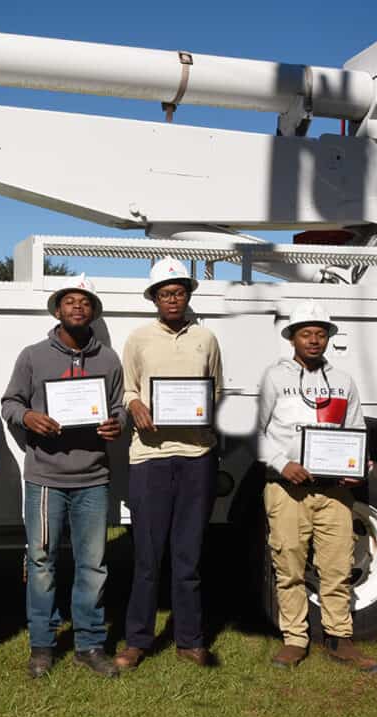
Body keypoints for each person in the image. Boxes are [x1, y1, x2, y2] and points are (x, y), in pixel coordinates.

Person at [1, 275, 126, 679]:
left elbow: (119, 407)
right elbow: (10, 403)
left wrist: (117, 424)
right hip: (45, 479)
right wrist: (28, 417)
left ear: (92, 312)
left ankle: (89, 644)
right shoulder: (33, 355)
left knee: (94, 564)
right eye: (69, 301)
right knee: (41, 562)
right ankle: (43, 645)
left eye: (85, 302)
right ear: (58, 310)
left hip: (93, 478)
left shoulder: (108, 359)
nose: (77, 307)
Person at [256, 300, 377, 673]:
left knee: (337, 566)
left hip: (335, 493)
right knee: (289, 564)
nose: (314, 340)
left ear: (328, 338)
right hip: (287, 489)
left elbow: (357, 430)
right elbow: (257, 433)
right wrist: (283, 464)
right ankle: (295, 640)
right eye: (306, 333)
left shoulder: (343, 382)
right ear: (292, 338)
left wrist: (359, 466)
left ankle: (340, 638)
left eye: (320, 334)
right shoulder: (274, 378)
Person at [114, 257, 222, 671]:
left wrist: (201, 410)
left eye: (178, 292)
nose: (172, 299)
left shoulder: (207, 338)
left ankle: (190, 639)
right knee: (147, 556)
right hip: (150, 458)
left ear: (188, 295)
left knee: (188, 556)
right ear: (155, 299)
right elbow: (126, 389)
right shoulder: (139, 338)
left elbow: (215, 390)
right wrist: (137, 403)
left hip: (196, 457)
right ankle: (137, 641)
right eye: (164, 293)